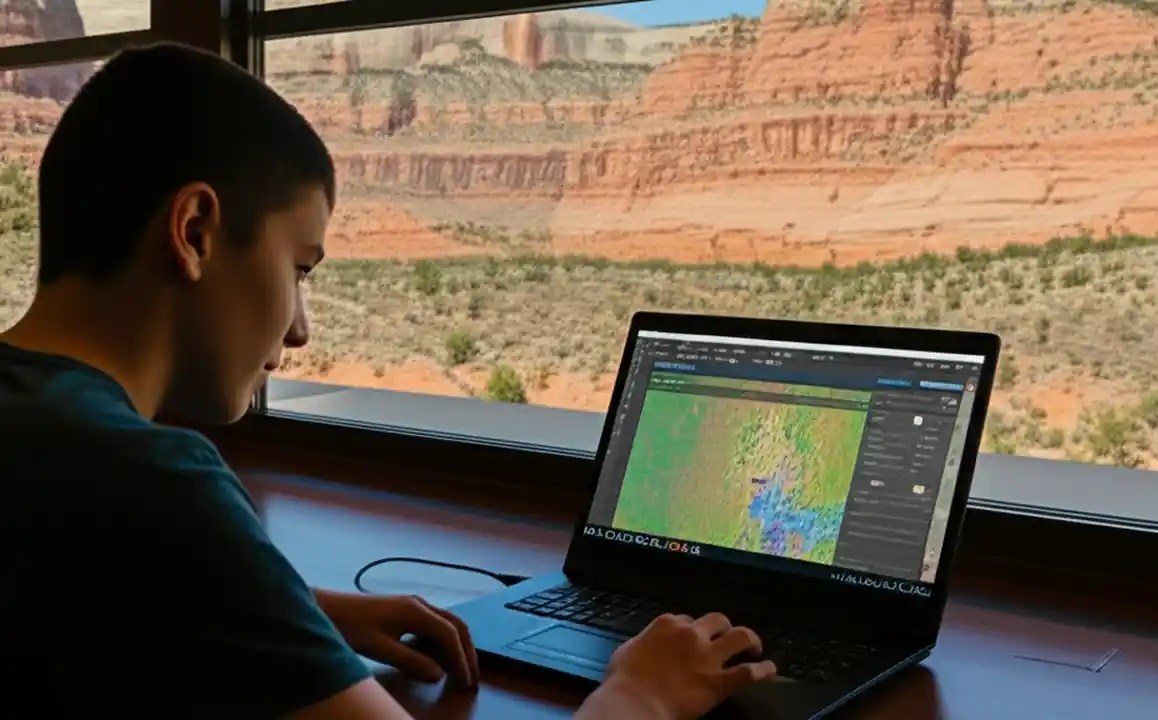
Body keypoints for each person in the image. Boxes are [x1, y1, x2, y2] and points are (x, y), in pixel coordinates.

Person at [0, 42, 776, 719]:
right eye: (299, 269)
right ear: (196, 232)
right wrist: (638, 696)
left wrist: (292, 609)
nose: (300, 327)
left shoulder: (54, 446)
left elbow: (81, 588)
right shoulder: (156, 485)